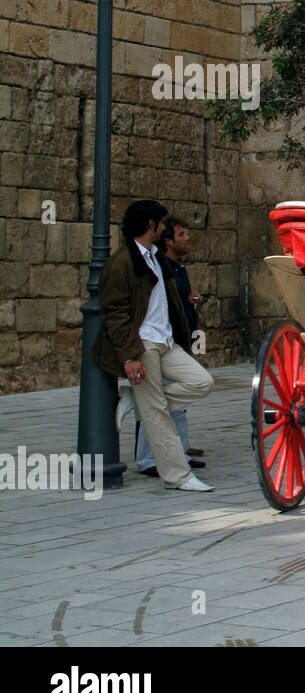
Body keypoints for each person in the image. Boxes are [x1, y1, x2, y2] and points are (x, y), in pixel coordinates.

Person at [92, 200, 215, 492]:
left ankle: (137, 401)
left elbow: (167, 301)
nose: (164, 227)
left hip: (166, 341)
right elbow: (115, 314)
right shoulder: (121, 263)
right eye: (161, 222)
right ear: (151, 224)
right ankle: (178, 476)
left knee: (202, 382)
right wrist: (129, 357)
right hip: (142, 344)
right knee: (157, 413)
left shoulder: (156, 256)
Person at [134, 216, 205, 477]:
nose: (187, 239)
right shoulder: (155, 264)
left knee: (183, 394)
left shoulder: (175, 267)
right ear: (168, 240)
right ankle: (147, 459)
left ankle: (180, 451)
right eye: (182, 234)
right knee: (155, 401)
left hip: (173, 339)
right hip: (155, 339)